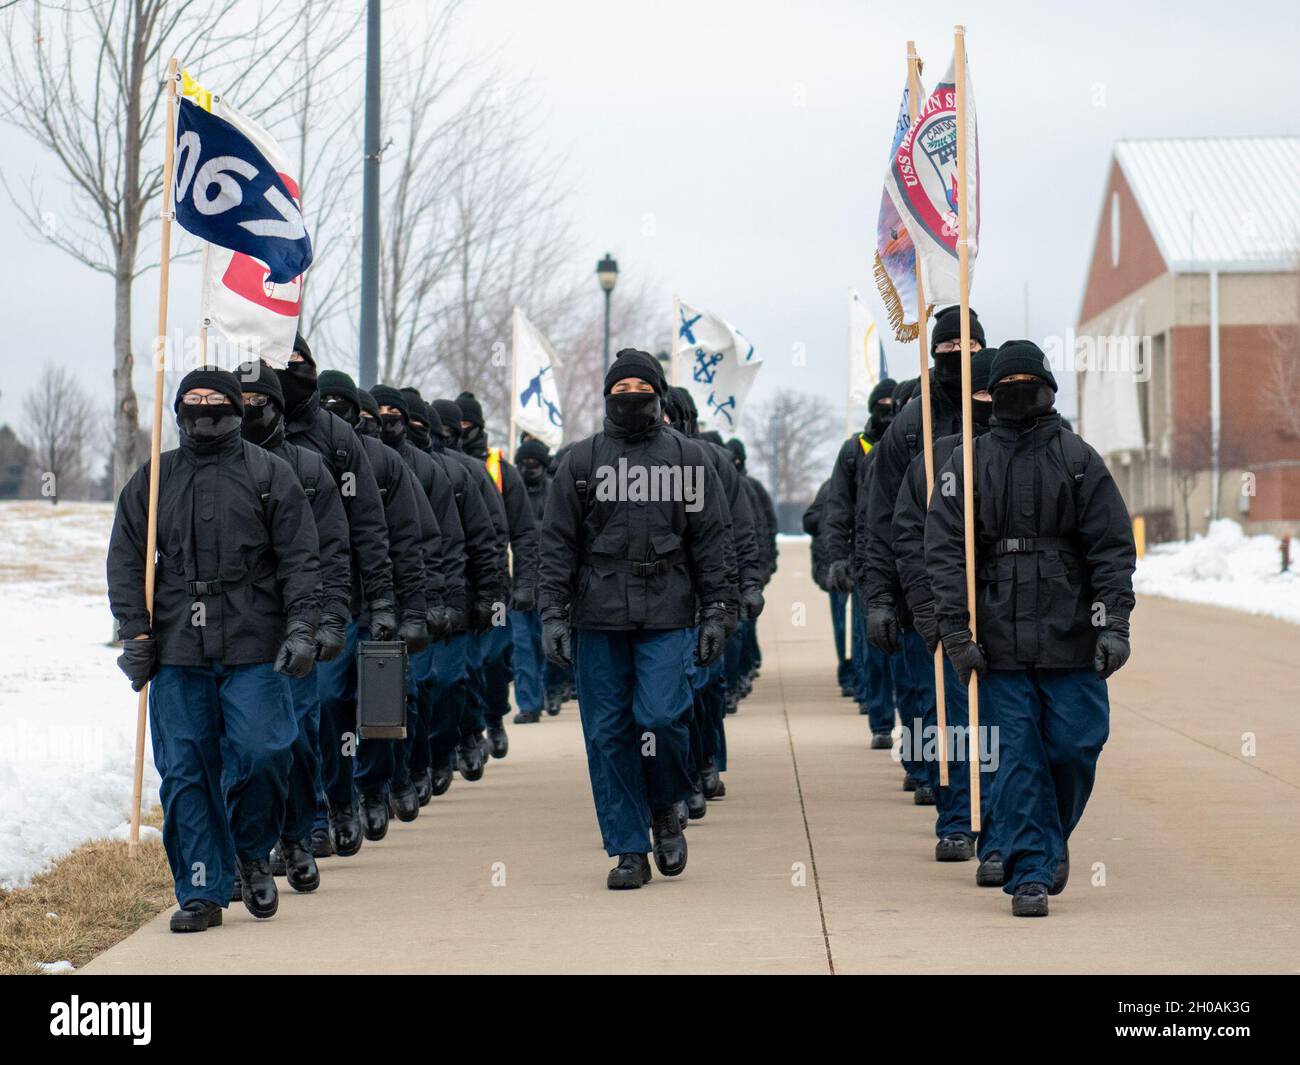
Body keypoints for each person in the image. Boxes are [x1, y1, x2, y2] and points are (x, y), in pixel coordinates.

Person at [925, 341, 1135, 918]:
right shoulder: (966, 462)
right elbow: (944, 552)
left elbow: (1111, 547)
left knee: (1076, 745)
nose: (1019, 388)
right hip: (997, 638)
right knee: (1015, 757)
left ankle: (1048, 839)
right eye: (1007, 380)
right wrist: (955, 631)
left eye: (1028, 378)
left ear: (1048, 387)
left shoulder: (1079, 458)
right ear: (990, 392)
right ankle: (1030, 873)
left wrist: (1113, 622)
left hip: (1071, 633)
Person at [108, 368, 320, 932]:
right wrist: (134, 630)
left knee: (264, 751)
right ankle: (202, 887)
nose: (203, 409)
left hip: (255, 641)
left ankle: (252, 852)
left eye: (215, 400)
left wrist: (303, 627)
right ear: (178, 410)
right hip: (178, 645)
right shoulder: (155, 478)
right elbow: (128, 557)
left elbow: (301, 559)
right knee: (185, 770)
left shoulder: (270, 474)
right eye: (191, 400)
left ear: (236, 409)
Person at [539, 349, 736, 889]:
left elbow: (714, 544)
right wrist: (551, 614)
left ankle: (666, 807)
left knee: (662, 719)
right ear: (607, 397)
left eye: (640, 387)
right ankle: (628, 847)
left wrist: (718, 611)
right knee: (608, 734)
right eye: (620, 388)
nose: (630, 396)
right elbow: (555, 545)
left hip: (669, 613)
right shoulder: (580, 462)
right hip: (597, 617)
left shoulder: (690, 459)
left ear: (659, 394)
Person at [277, 337, 395, 859]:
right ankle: (293, 822)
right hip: (265, 605)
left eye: (298, 363)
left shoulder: (342, 443)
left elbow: (372, 527)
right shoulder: (252, 438)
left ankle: (338, 802)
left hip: (338, 599)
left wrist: (388, 603)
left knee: (333, 706)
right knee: (284, 722)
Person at [864, 308, 988, 801]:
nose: (959, 356)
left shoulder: (1006, 408)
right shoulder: (911, 424)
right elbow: (879, 518)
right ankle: (941, 787)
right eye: (949, 348)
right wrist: (879, 597)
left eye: (969, 347)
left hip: (994, 588)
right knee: (928, 698)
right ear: (935, 352)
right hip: (923, 587)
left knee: (984, 708)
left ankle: (984, 806)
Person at [237, 359, 351, 895]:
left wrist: (329, 620)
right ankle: (242, 853)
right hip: (228, 633)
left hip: (294, 627)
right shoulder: (205, 469)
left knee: (296, 739)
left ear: (278, 408)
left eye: (257, 402)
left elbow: (332, 549)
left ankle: (298, 837)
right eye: (238, 402)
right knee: (241, 748)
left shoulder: (308, 469)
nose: (246, 412)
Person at [890, 348, 1002, 873]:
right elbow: (909, 539)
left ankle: (1003, 831)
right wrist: (928, 609)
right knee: (956, 722)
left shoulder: (1042, 455)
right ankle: (958, 820)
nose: (986, 403)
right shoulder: (935, 461)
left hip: (1017, 619)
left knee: (1009, 730)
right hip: (953, 615)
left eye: (992, 394)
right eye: (976, 394)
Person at [453, 392, 539, 760]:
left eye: (464, 425)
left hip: (495, 584)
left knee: (494, 660)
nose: (458, 432)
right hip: (455, 583)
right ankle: (469, 731)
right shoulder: (436, 464)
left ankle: (495, 717)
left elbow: (523, 531)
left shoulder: (500, 469)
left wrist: (525, 583)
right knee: (463, 665)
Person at [823, 379, 898, 745]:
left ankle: (909, 720)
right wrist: (839, 557)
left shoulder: (910, 442)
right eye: (880, 403)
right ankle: (881, 721)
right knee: (873, 645)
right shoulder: (854, 450)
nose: (886, 408)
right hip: (868, 559)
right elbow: (838, 509)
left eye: (892, 402)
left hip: (912, 558)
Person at [511, 438, 551, 725]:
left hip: (550, 582)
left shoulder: (555, 490)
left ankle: (550, 689)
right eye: (525, 462)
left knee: (546, 645)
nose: (529, 468)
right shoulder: (512, 491)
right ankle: (529, 703)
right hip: (516, 584)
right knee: (522, 647)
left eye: (534, 463)